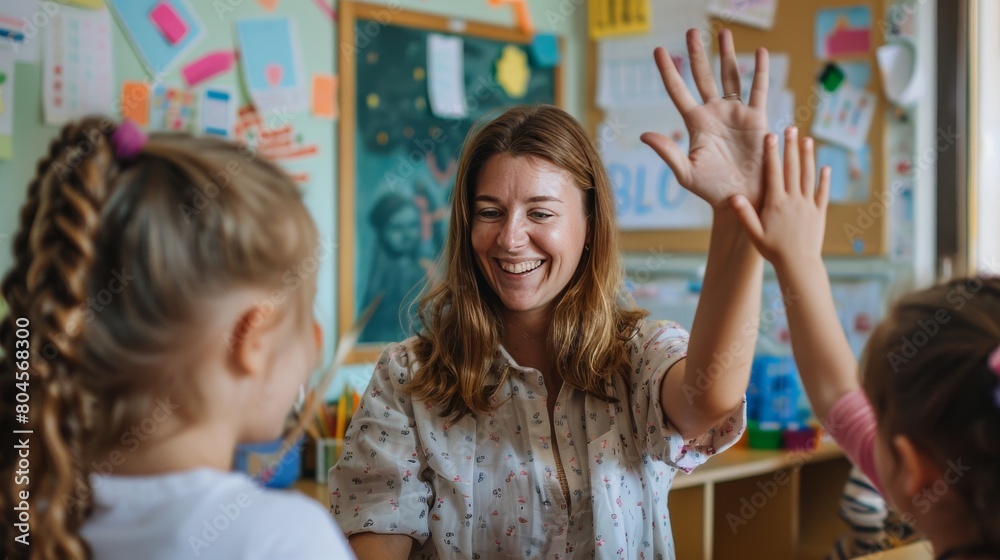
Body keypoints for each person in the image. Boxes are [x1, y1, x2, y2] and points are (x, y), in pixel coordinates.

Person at [330, 28, 771, 558]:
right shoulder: (408, 380)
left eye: (540, 213)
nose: (511, 238)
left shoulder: (637, 354)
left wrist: (738, 218)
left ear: (589, 227)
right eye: (490, 212)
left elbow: (709, 398)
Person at [0, 118, 354, 560]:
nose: (316, 340)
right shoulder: (283, 539)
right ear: (253, 338)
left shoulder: (32, 512)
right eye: (307, 308)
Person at [729, 126, 1000, 558]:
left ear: (913, 470)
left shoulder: (926, 479)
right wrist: (797, 259)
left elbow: (838, 397)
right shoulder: (934, 483)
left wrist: (795, 256)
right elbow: (840, 395)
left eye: (882, 414)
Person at [360, 192, 431, 343]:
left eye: (412, 225)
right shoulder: (370, 276)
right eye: (397, 228)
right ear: (382, 232)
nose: (407, 235)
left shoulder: (425, 270)